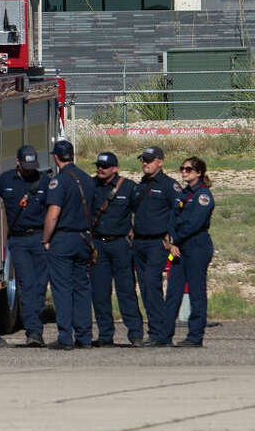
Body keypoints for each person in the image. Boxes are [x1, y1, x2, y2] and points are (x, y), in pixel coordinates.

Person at [0, 144, 50, 346]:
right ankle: (34, 332)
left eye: (33, 166)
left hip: (40, 239)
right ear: (18, 162)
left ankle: (35, 327)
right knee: (27, 284)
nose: (30, 170)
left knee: (39, 286)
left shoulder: (45, 181)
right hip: (19, 241)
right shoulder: (5, 180)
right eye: (26, 165)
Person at [40, 138, 93, 350]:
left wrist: (45, 239)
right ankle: (85, 336)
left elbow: (53, 215)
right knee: (82, 287)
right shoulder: (87, 179)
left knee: (62, 288)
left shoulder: (58, 182)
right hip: (84, 238)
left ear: (55, 157)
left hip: (63, 238)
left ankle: (65, 337)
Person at [87, 151, 143, 347]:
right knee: (100, 292)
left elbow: (143, 212)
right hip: (98, 246)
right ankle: (105, 335)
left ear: (114, 168)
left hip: (120, 245)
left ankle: (135, 333)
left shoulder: (128, 187)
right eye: (98, 166)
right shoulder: (90, 185)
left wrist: (136, 233)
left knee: (126, 291)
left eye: (105, 166)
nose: (100, 169)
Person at [131, 145, 183, 347]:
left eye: (149, 160)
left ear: (160, 162)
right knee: (145, 287)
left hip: (157, 243)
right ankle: (155, 331)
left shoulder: (169, 186)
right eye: (143, 160)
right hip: (139, 243)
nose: (145, 163)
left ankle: (162, 332)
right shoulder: (140, 185)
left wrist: (172, 239)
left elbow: (179, 212)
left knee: (153, 284)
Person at [163, 156, 216, 348]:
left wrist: (176, 239)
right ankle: (164, 334)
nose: (184, 172)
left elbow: (194, 224)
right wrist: (171, 241)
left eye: (188, 170)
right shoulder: (182, 193)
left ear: (199, 173)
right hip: (178, 247)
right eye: (182, 169)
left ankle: (195, 336)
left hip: (196, 246)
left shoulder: (203, 196)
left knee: (196, 292)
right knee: (173, 291)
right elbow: (172, 218)